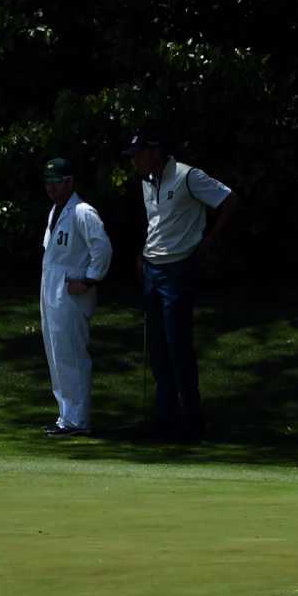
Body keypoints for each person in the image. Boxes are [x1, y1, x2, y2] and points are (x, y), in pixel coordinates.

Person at [125, 130, 240, 440]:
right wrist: (143, 253)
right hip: (152, 268)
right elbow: (157, 223)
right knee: (158, 349)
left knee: (178, 346)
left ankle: (191, 421)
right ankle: (165, 419)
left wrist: (209, 242)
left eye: (138, 154)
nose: (134, 161)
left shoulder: (188, 176)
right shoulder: (146, 181)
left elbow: (229, 200)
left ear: (155, 151)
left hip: (179, 268)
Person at [37, 157, 113, 438]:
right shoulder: (54, 211)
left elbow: (102, 248)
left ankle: (78, 419)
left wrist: (90, 279)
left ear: (69, 182)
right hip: (51, 289)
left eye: (56, 183)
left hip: (71, 291)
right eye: (48, 184)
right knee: (56, 353)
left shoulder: (83, 212)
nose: (51, 189)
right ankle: (66, 416)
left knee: (71, 354)